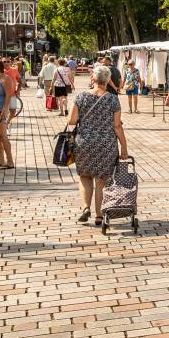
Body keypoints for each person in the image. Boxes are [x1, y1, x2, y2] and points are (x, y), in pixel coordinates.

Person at [68, 65, 128, 227]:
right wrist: (124, 147)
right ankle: (99, 216)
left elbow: (72, 121)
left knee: (85, 176)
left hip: (84, 143)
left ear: (92, 79)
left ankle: (86, 207)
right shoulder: (112, 99)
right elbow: (117, 125)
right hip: (106, 144)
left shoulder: (81, 97)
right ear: (108, 81)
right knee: (101, 180)